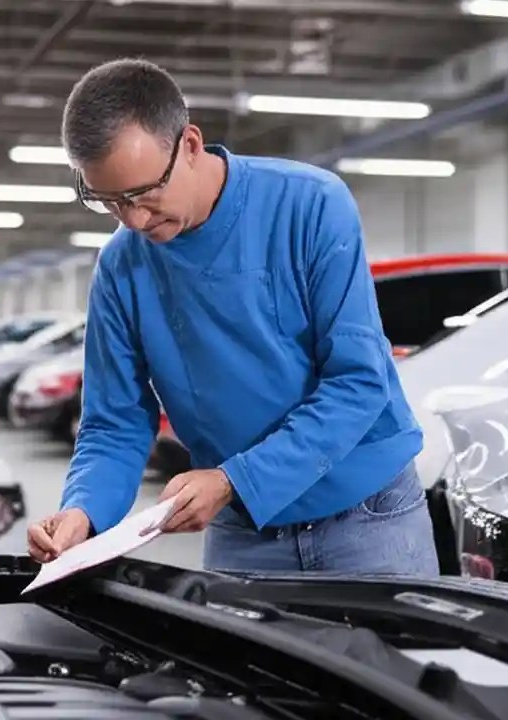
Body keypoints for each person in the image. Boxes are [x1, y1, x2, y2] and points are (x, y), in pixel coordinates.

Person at [26, 58, 438, 576]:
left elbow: (357, 383)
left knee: (381, 661)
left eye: (143, 192)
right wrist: (82, 511)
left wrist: (233, 480)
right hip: (243, 526)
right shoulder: (120, 267)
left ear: (190, 145)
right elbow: (115, 423)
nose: (132, 219)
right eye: (106, 200)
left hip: (367, 518)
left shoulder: (311, 206)